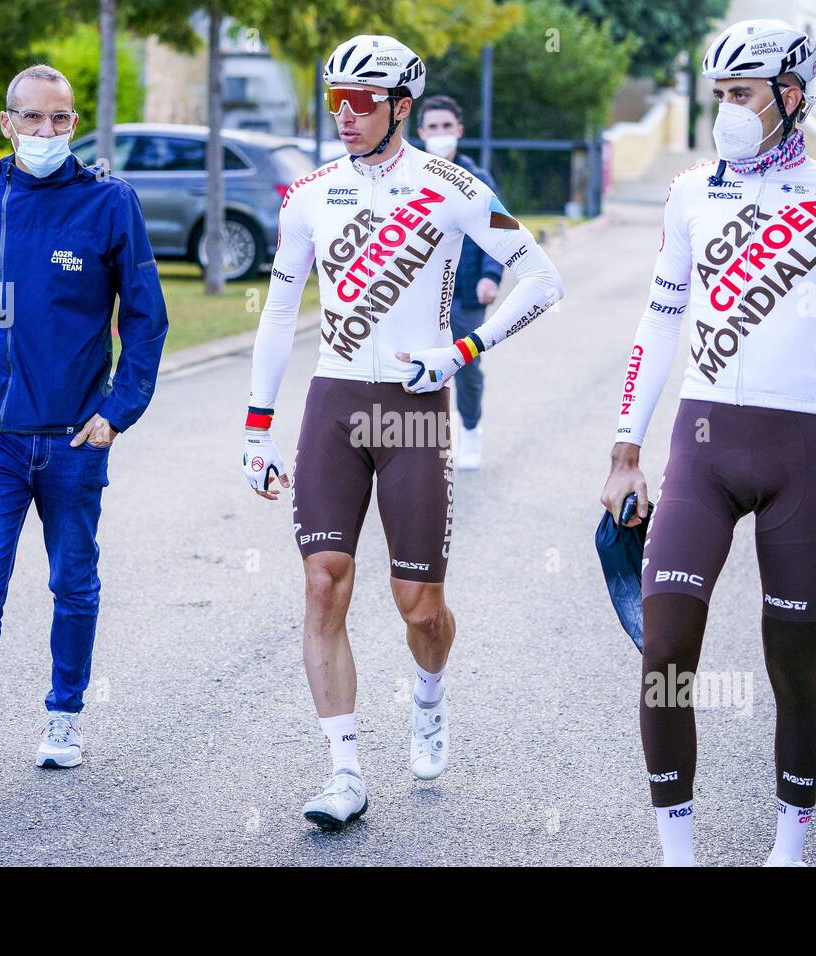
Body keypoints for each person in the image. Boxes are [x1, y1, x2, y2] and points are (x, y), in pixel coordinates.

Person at [243, 34, 565, 830]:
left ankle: (429, 694)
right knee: (324, 581)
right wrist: (257, 426)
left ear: (401, 107)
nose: (345, 115)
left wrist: (464, 350)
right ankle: (345, 771)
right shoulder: (310, 194)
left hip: (414, 410)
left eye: (361, 101)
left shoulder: (451, 185)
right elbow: (281, 312)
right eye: (334, 100)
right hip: (334, 401)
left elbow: (543, 278)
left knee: (419, 606)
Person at [598, 20, 816, 865]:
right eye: (719, 96)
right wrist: (627, 446)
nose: (726, 111)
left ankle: (789, 849)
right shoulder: (691, 191)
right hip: (701, 447)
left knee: (794, 659)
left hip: (802, 454)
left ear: (791, 97)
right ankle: (677, 855)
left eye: (742, 95)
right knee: (664, 651)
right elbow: (659, 321)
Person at [0, 64, 169, 793]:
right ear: (6, 122)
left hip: (74, 439)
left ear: (74, 124)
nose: (46, 131)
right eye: (32, 118)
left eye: (60, 119)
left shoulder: (110, 203)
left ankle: (64, 714)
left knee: (73, 581)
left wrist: (118, 409)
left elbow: (146, 318)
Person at [416, 95, 504, 469]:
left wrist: (490, 276)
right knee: (416, 367)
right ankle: (420, 443)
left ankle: (470, 433)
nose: (440, 133)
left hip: (466, 294)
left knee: (466, 366)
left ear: (459, 131)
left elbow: (499, 232)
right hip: (417, 294)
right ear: (420, 133)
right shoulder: (410, 177)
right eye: (432, 127)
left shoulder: (477, 180)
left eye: (446, 127)